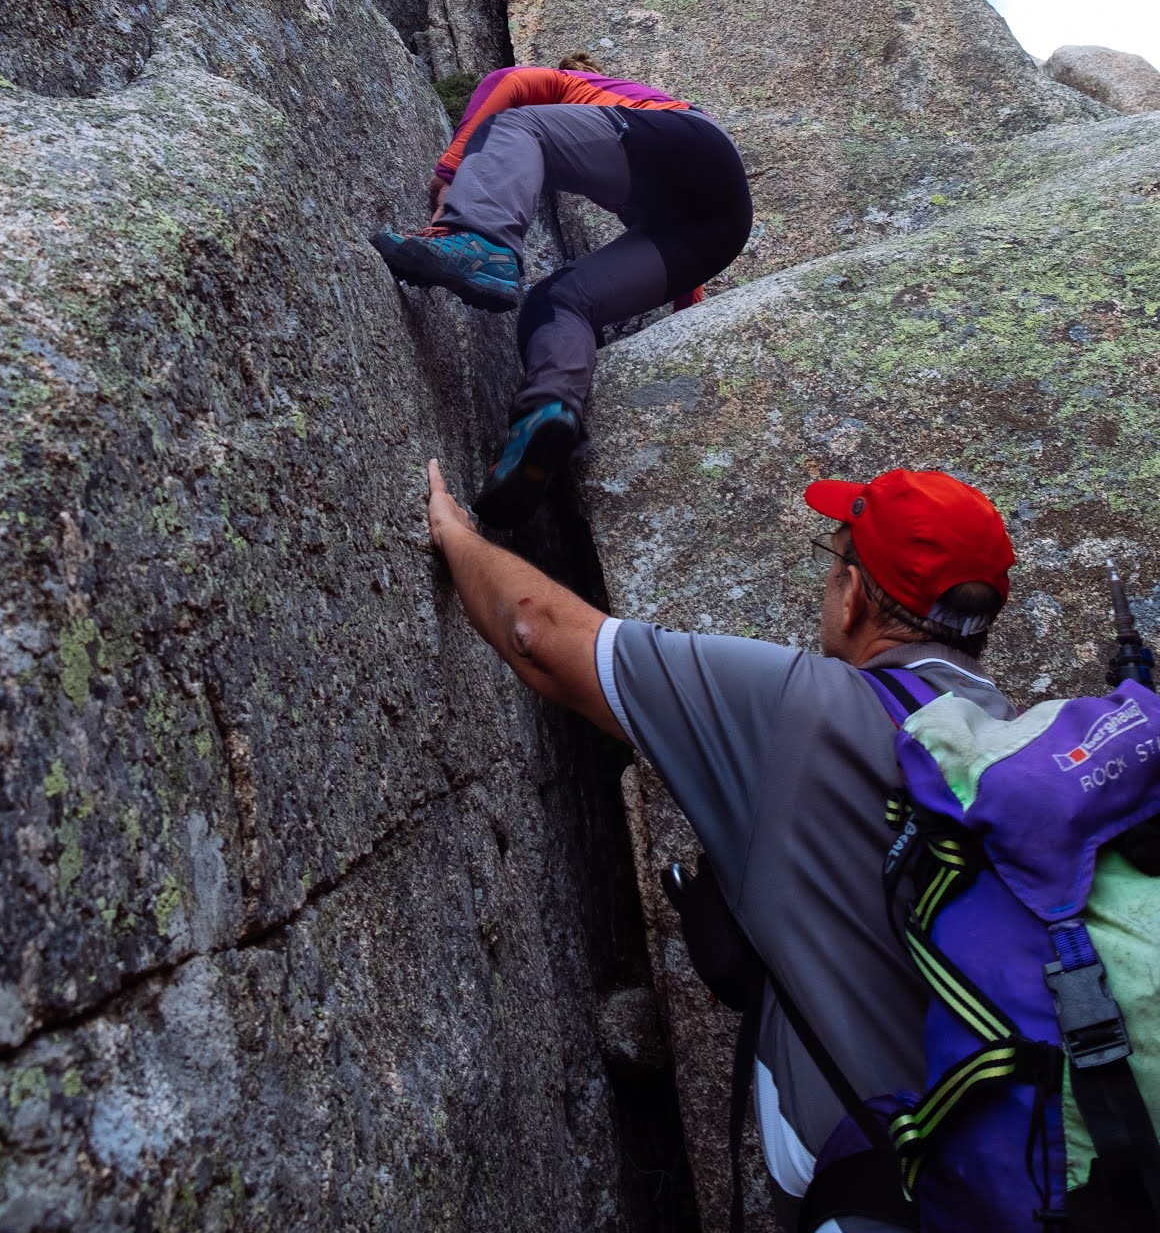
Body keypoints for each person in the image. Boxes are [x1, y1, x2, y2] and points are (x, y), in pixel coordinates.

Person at [423, 457, 1016, 1230]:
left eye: (833, 556)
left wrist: (456, 536)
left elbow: (534, 629)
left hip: (883, 1203)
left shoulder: (800, 707)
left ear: (857, 593)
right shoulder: (1008, 752)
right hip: (1020, 1179)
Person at [373, 54, 752, 524]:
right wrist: (684, 307)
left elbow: (510, 82)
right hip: (716, 233)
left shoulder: (573, 84)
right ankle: (547, 413)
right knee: (558, 302)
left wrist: (451, 173)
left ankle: (480, 242)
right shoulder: (620, 146)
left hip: (698, 149)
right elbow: (681, 246)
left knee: (514, 127)